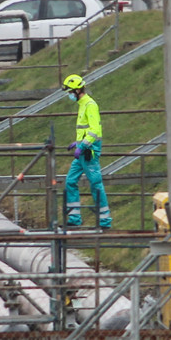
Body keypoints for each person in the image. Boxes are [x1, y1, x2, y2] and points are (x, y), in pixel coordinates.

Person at [62, 74, 112, 229]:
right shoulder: (82, 104)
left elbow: (95, 131)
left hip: (89, 152)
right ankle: (74, 218)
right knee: (70, 181)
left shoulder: (90, 104)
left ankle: (105, 221)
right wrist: (77, 143)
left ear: (77, 90)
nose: (69, 95)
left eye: (70, 92)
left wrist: (82, 146)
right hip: (82, 150)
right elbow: (85, 130)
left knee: (96, 184)